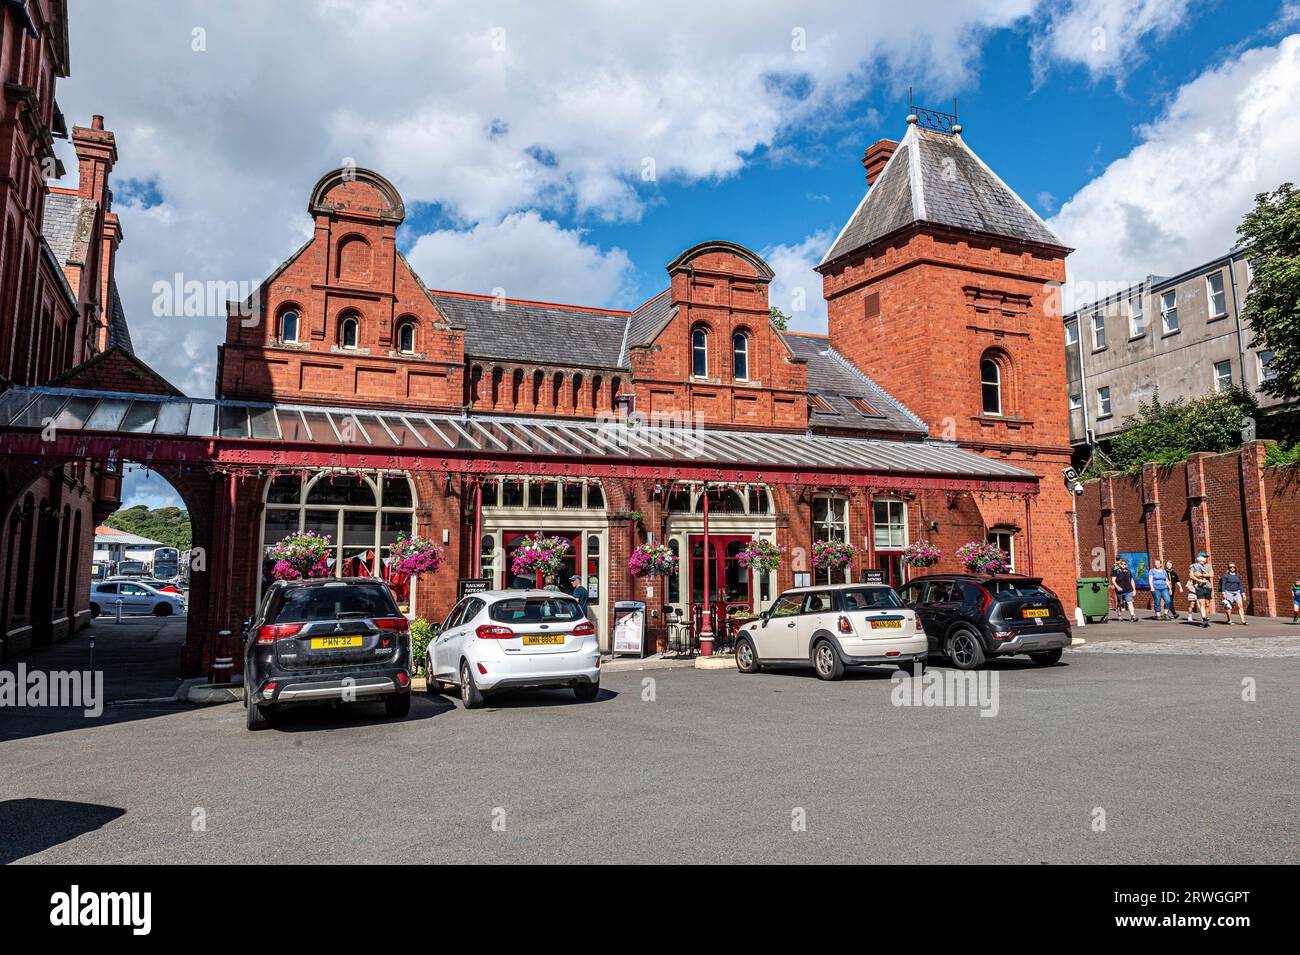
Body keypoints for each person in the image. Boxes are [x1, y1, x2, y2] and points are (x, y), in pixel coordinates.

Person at [1188, 552, 1213, 628]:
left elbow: (1212, 575)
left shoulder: (1208, 566)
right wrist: (1199, 581)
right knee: (1202, 604)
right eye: (1204, 557)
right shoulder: (1194, 566)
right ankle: (1204, 619)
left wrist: (1202, 575)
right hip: (1199, 587)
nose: (1206, 558)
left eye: (1206, 557)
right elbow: (1191, 576)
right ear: (1199, 558)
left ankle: (1206, 617)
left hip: (1208, 587)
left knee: (1207, 604)